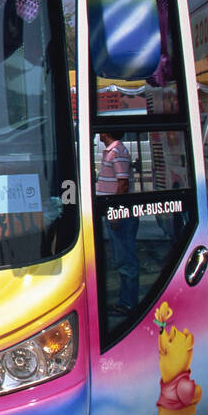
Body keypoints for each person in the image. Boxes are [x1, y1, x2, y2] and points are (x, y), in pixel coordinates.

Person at [96, 132, 140, 315]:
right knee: (121, 256)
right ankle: (125, 300)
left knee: (125, 258)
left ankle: (128, 303)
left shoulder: (117, 152)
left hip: (121, 214)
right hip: (115, 212)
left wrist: (116, 212)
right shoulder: (111, 151)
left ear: (105, 133)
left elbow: (122, 184)